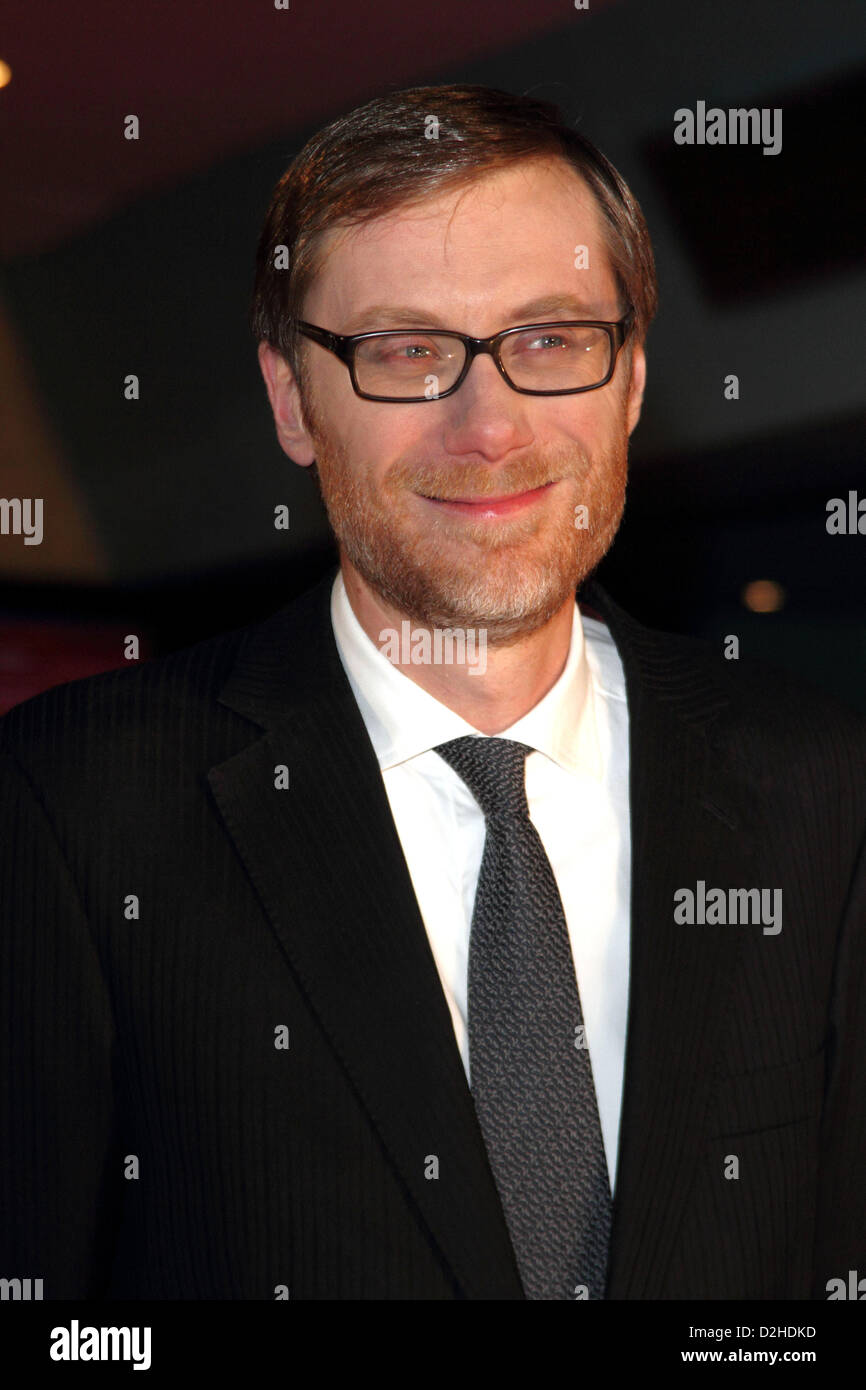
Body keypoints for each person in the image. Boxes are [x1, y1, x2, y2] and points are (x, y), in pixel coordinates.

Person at [1, 84, 864, 1301]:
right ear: (293, 401)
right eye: (405, 351)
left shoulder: (821, 785)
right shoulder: (73, 802)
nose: (489, 425)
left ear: (626, 379)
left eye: (549, 338)